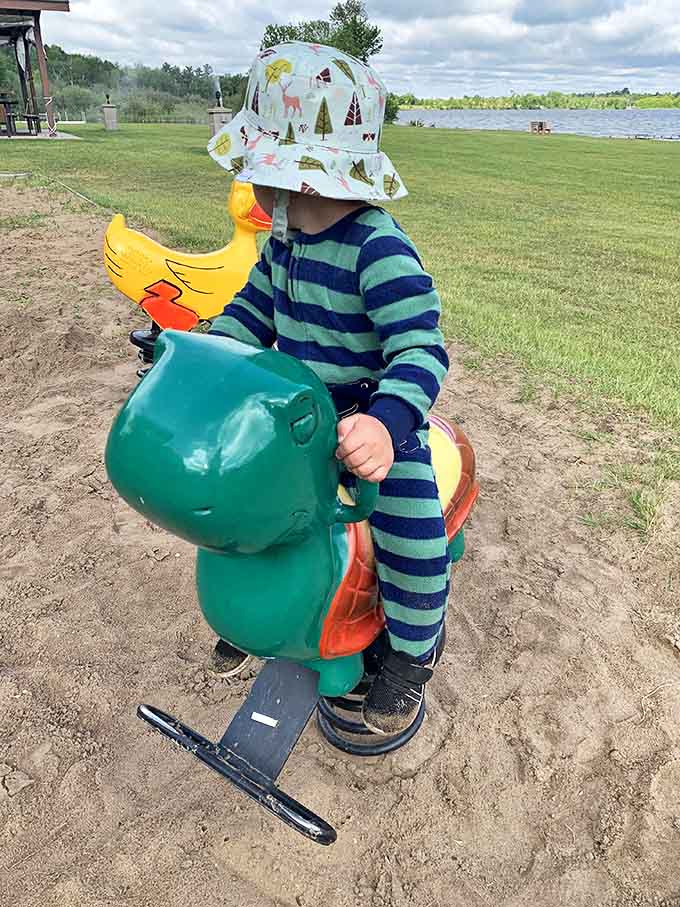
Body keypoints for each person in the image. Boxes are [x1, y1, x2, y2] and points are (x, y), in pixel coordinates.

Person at [205, 41, 450, 735]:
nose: (248, 180)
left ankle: (411, 650)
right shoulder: (282, 244)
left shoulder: (378, 248)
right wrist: (201, 357)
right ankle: (266, 611)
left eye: (254, 165)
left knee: (409, 529)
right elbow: (248, 316)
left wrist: (385, 421)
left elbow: (422, 347)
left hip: (372, 427)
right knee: (246, 499)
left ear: (296, 175)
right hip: (301, 422)